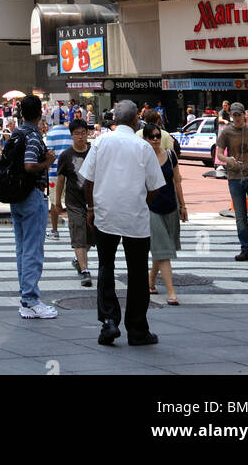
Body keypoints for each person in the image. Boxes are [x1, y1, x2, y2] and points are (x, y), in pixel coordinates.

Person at [80, 98, 165, 347]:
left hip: (105, 214)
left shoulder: (101, 143)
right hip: (135, 217)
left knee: (106, 266)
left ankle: (109, 320)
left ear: (114, 119)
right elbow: (155, 186)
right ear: (136, 120)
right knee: (137, 271)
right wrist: (141, 201)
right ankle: (137, 329)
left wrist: (91, 208)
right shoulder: (143, 147)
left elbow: (88, 180)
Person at [11, 93, 58, 319]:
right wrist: (48, 161)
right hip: (32, 195)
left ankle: (25, 297)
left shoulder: (16, 133)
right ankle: (30, 298)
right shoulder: (32, 136)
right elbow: (30, 165)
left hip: (16, 196)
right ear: (40, 114)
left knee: (22, 247)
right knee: (33, 249)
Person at [142, 121, 187, 303]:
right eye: (151, 136)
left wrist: (183, 206)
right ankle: (171, 293)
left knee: (162, 250)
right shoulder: (142, 158)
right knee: (164, 250)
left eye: (158, 136)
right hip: (150, 208)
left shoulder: (170, 155)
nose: (155, 139)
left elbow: (177, 181)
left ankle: (150, 281)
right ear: (145, 139)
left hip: (170, 206)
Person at [215, 102, 248, 262]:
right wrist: (228, 160)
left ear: (244, 115)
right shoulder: (226, 132)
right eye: (234, 115)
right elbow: (220, 153)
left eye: (239, 114)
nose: (236, 118)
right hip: (235, 177)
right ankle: (246, 248)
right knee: (240, 215)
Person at [55, 118, 94, 287]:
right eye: (77, 133)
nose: (81, 137)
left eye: (83, 133)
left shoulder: (94, 152)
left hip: (93, 202)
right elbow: (60, 180)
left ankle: (78, 259)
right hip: (74, 202)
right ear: (71, 135)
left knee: (90, 238)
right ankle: (85, 270)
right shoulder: (66, 156)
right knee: (78, 234)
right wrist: (57, 202)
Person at [44, 111, 74, 239]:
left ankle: (55, 231)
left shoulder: (50, 134)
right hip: (69, 172)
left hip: (54, 173)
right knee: (71, 203)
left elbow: (50, 154)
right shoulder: (70, 132)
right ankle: (74, 231)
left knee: (54, 201)